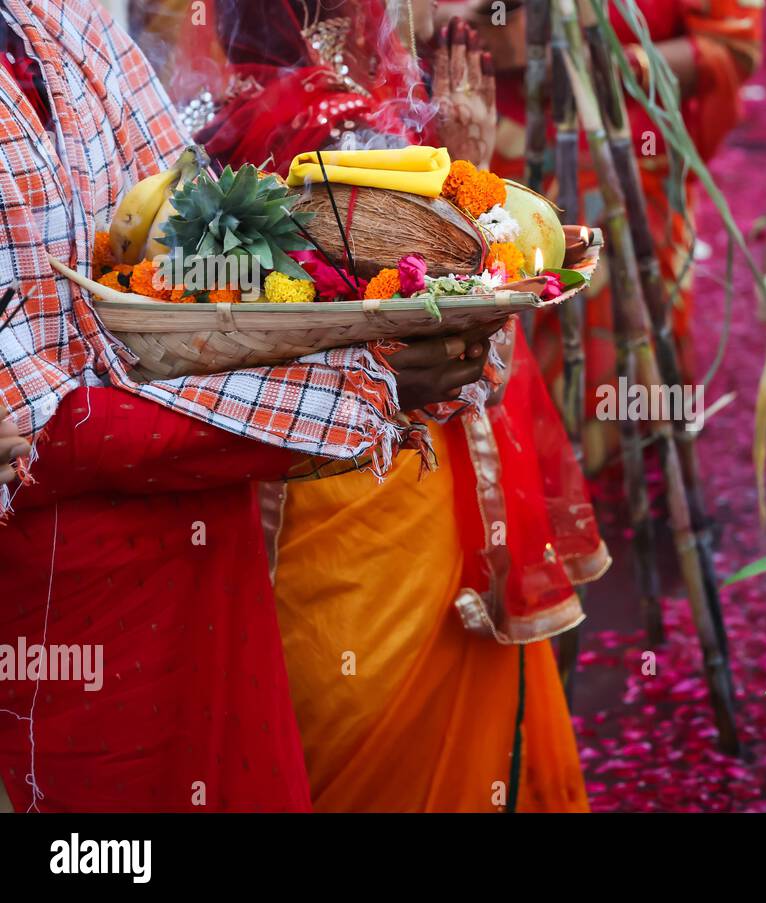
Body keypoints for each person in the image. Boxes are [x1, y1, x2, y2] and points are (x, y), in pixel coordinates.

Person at [0, 0, 487, 812]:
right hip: (57, 608)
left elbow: (191, 262)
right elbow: (36, 431)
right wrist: (366, 385)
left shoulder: (65, 23)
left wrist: (408, 294)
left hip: (210, 554)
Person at [144, 0, 603, 811]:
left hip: (276, 493)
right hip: (380, 476)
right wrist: (468, 184)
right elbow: (446, 309)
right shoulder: (343, 125)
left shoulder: (187, 116)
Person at [450, 0, 762, 472]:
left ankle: (629, 466)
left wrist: (600, 63)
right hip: (500, 155)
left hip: (629, 160)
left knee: (632, 327)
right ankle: (529, 466)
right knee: (505, 322)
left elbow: (731, 49)